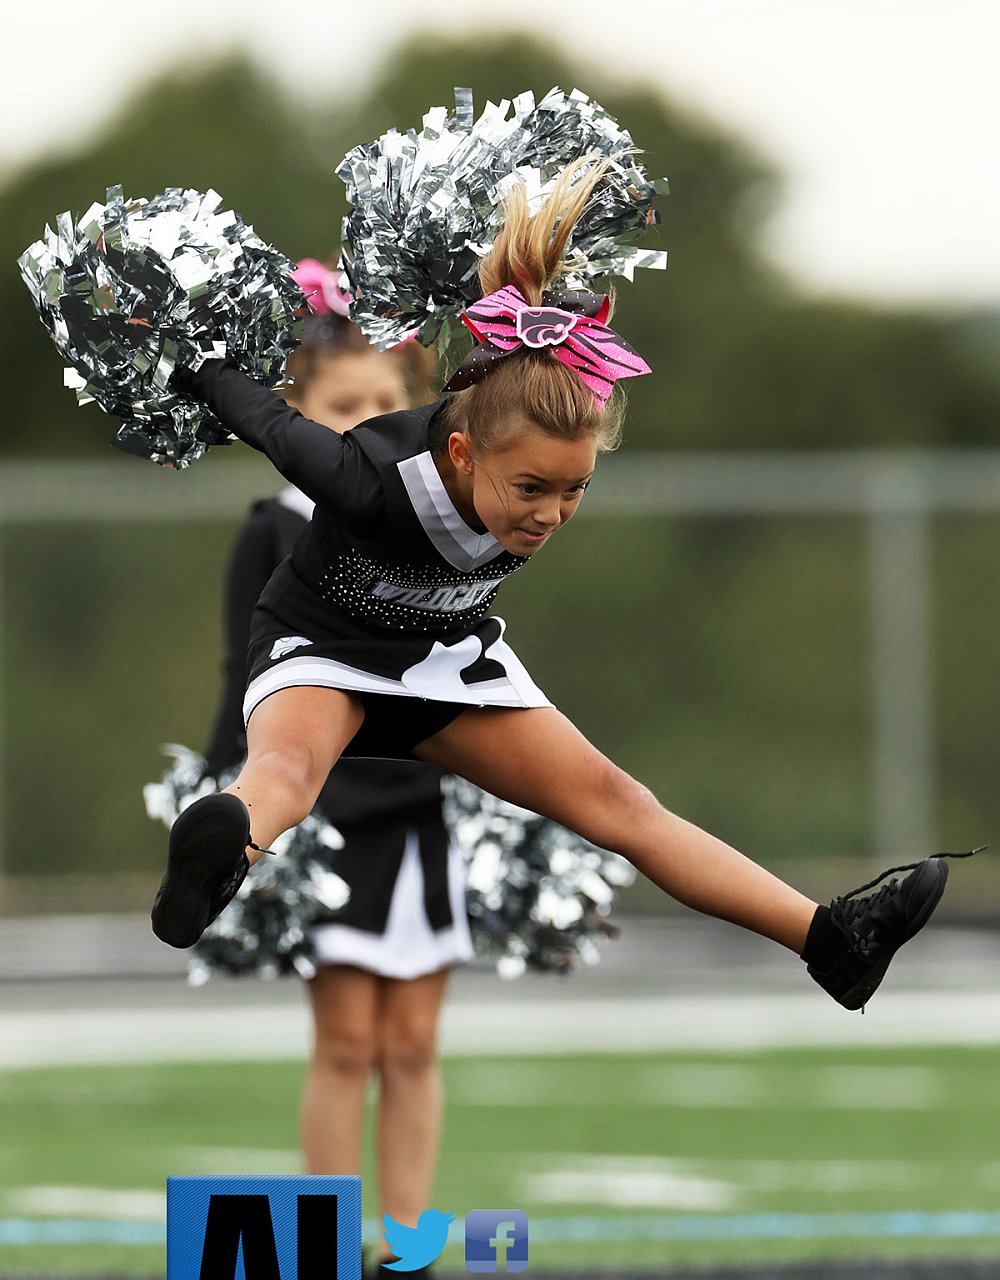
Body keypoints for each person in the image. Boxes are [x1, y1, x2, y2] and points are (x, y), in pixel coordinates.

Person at [152, 158, 955, 1015]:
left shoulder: (522, 431)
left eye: (575, 490)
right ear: (462, 455)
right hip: (326, 643)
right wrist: (187, 360)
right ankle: (217, 859)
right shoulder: (371, 482)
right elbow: (272, 424)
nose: (550, 515)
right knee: (287, 773)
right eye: (531, 489)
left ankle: (832, 942)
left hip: (443, 655)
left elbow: (534, 354)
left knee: (622, 804)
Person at [200, 259, 471, 1280]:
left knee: (414, 1041)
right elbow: (242, 672)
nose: (363, 427)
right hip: (326, 809)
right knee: (347, 1041)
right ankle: (319, 1260)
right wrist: (222, 793)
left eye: (382, 407)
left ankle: (408, 1254)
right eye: (340, 409)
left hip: (422, 802)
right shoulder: (274, 525)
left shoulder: (431, 517)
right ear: (297, 415)